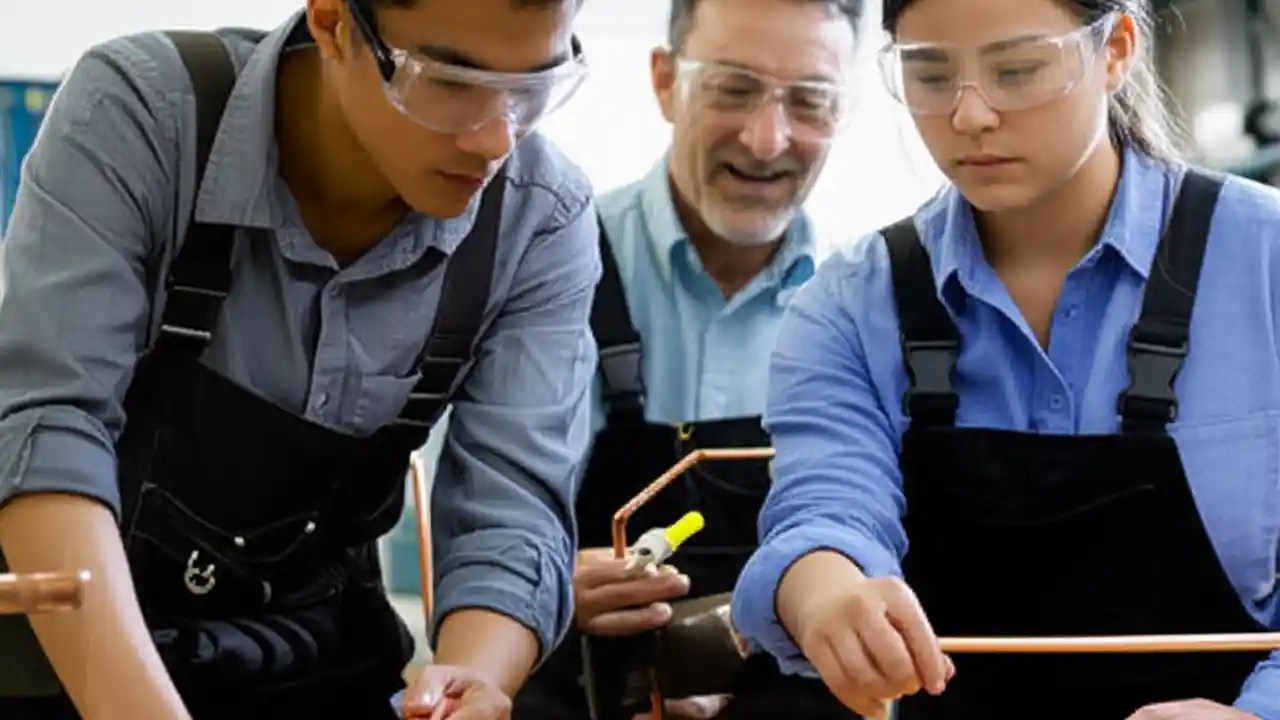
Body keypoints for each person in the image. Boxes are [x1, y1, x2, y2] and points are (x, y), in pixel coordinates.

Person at [0, 0, 600, 718]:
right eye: (448, 83)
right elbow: (50, 424)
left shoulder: (541, 217)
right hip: (70, 652)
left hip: (314, 664)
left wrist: (473, 679)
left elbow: (512, 503)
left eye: (531, 90)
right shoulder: (143, 113)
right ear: (334, 23)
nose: (495, 140)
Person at [728, 0, 1280, 717]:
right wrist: (828, 592)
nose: (971, 117)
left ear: (1115, 49)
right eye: (929, 76)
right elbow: (822, 510)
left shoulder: (1264, 264)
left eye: (1017, 71)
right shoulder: (848, 306)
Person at [510, 0, 860, 718]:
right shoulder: (549, 268)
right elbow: (486, 526)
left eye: (811, 100)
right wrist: (542, 581)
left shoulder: (863, 307)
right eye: (733, 89)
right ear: (665, 82)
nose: (768, 140)